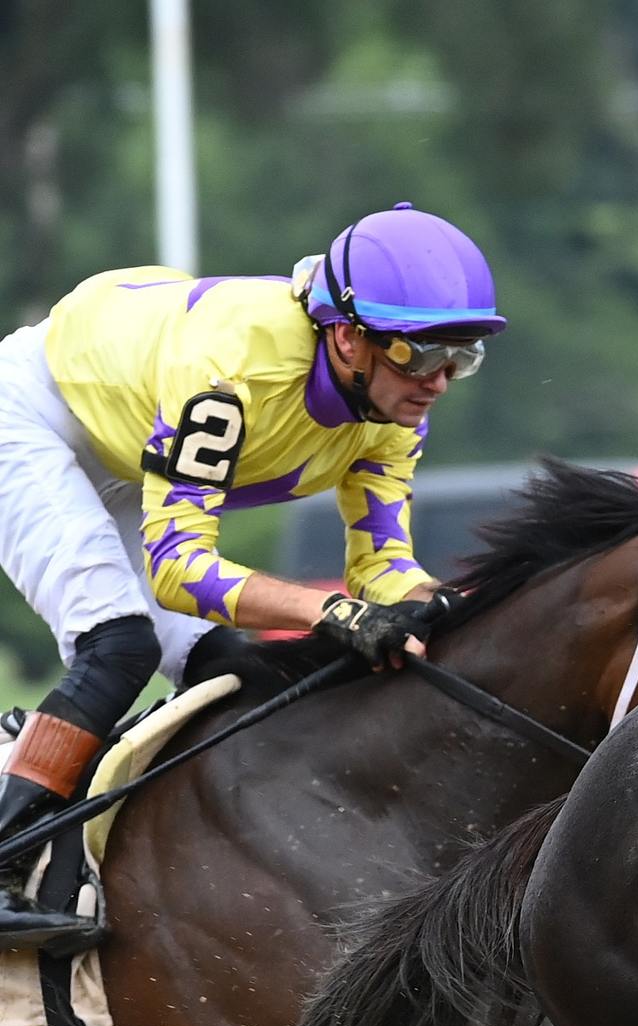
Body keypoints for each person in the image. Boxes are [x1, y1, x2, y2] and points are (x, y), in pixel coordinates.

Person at [0, 203, 503, 945]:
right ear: (346, 336)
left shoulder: (392, 412)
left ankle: (125, 830)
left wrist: (446, 609)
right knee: (121, 646)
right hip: (35, 420)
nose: (437, 382)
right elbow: (176, 569)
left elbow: (382, 567)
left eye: (459, 358)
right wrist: (325, 613)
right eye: (418, 356)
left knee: (227, 666)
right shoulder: (239, 367)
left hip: (124, 448)